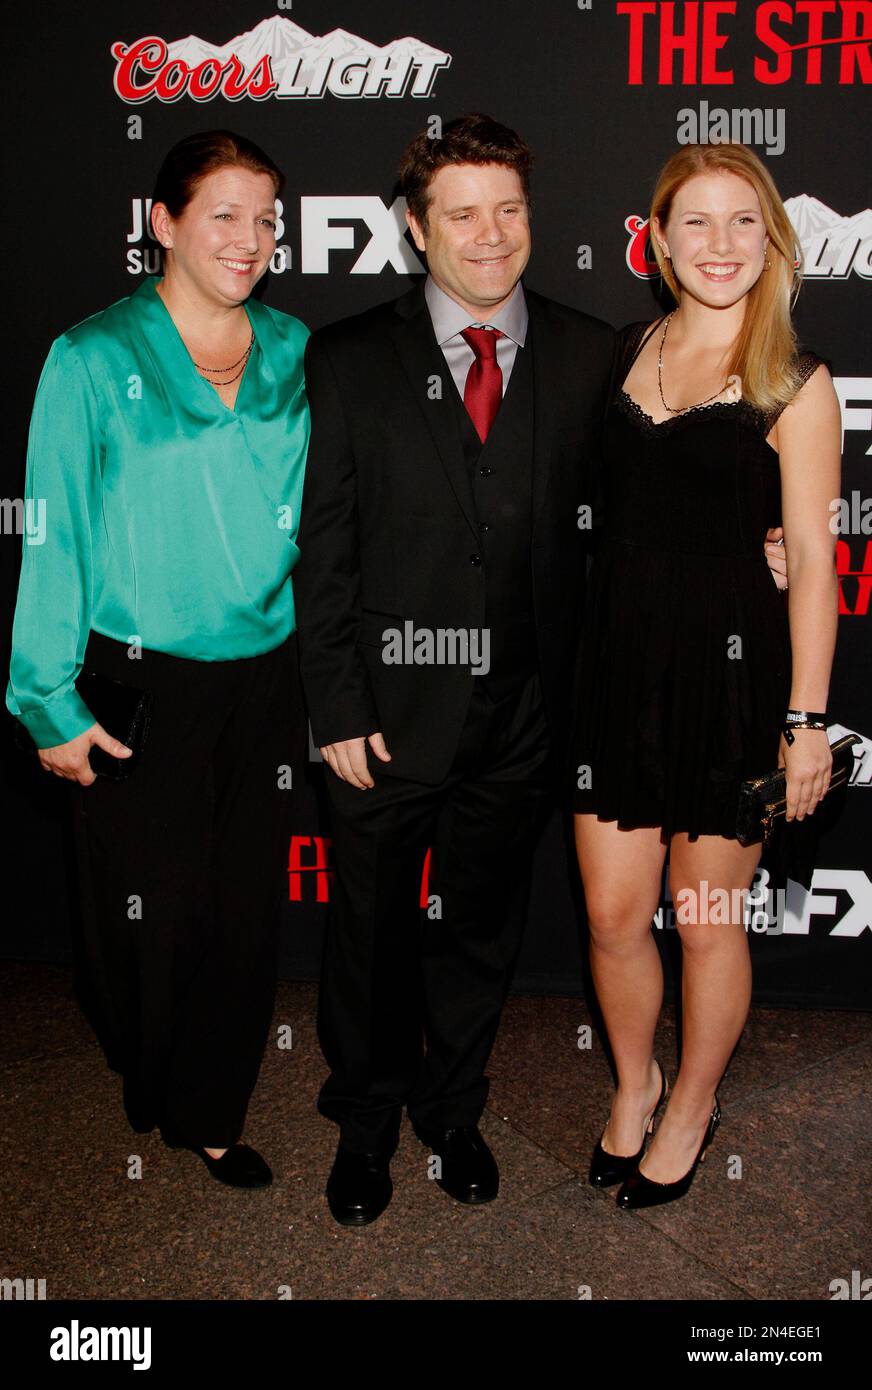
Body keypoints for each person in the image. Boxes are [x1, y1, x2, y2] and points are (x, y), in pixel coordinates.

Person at [293, 115, 788, 1227]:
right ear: (416, 229)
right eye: (459, 213)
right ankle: (366, 1124)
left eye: (506, 210)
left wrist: (769, 544)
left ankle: (453, 1110)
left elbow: (673, 488)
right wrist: (333, 698)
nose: (487, 234)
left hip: (532, 714)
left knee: (480, 924)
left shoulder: (595, 352)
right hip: (382, 708)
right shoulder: (346, 358)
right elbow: (322, 544)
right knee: (370, 931)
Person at [6, 130, 310, 1189]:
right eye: (223, 213)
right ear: (162, 224)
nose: (250, 238)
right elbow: (54, 527)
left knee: (240, 917)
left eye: (266, 218)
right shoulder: (92, 357)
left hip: (268, 681)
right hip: (139, 682)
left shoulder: (293, 350)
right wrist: (44, 697)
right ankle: (146, 1059)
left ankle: (211, 1108)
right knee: (142, 921)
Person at [571, 143, 841, 1209]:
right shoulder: (620, 353)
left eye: (742, 223)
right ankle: (630, 1088)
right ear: (656, 238)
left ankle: (689, 1106)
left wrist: (805, 720)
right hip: (616, 667)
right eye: (695, 222)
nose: (718, 245)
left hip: (732, 680)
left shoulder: (792, 378)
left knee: (701, 914)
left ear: (770, 240)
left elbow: (814, 561)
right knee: (606, 912)